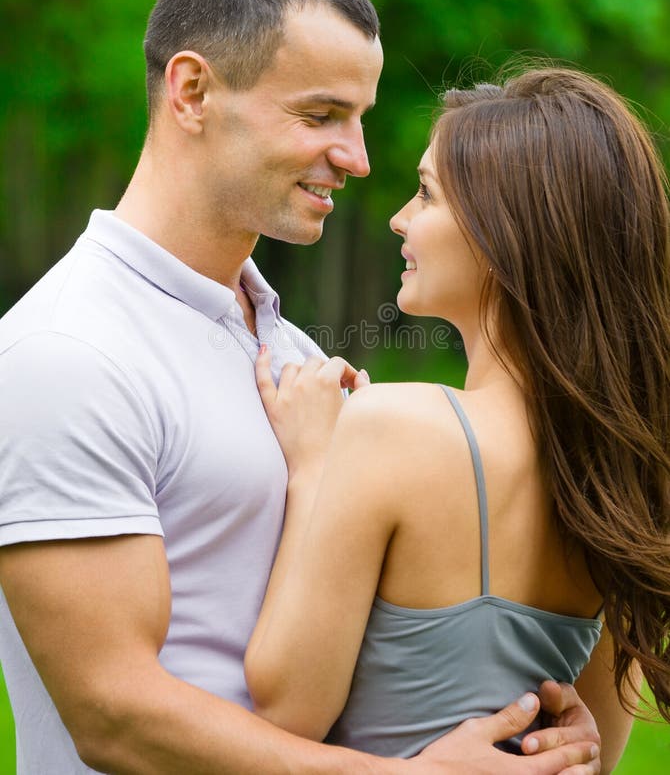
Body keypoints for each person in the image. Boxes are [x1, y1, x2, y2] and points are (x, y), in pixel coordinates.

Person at [0, 0, 601, 774]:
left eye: (358, 119)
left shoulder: (297, 357)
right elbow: (113, 714)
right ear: (192, 91)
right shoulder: (67, 354)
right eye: (320, 116)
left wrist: (543, 726)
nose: (356, 157)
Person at [246, 67, 670, 773]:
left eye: (426, 194)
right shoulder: (614, 477)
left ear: (504, 233)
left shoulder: (396, 426)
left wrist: (313, 466)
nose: (400, 219)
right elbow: (589, 745)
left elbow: (286, 705)